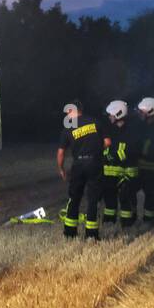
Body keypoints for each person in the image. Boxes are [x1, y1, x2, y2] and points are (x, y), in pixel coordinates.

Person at [56, 102, 104, 240]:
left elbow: (61, 152)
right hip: (94, 163)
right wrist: (96, 153)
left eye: (68, 112)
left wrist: (61, 169)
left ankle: (70, 232)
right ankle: (91, 235)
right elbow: (107, 142)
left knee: (74, 198)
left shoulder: (68, 127)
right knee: (93, 199)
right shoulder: (96, 122)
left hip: (78, 165)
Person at [101, 100, 139, 229]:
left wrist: (115, 155)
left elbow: (131, 150)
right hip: (110, 172)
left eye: (110, 115)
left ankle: (127, 224)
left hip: (126, 173)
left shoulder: (131, 130)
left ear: (118, 113)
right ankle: (109, 221)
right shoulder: (109, 129)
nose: (109, 117)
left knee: (125, 199)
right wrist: (106, 155)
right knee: (109, 199)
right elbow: (106, 147)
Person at [133, 97, 154, 223]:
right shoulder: (141, 125)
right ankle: (132, 216)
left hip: (151, 167)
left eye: (142, 112)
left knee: (149, 194)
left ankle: (148, 218)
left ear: (150, 111)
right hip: (139, 165)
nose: (139, 114)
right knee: (132, 191)